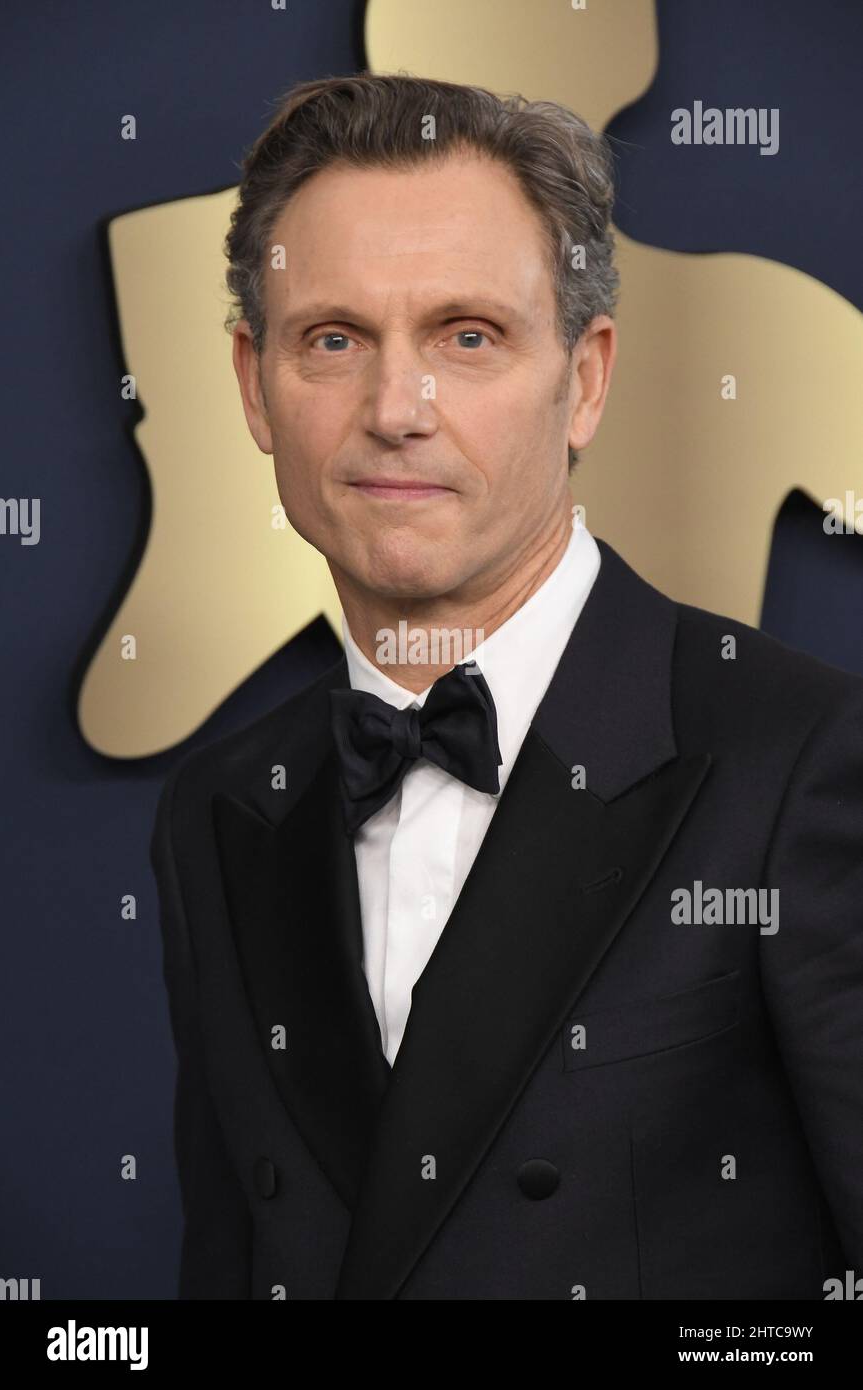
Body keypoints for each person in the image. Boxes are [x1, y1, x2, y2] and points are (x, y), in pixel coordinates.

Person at [150, 72, 863, 1300]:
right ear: (253, 382)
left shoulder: (802, 760)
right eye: (333, 339)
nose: (395, 411)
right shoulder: (217, 808)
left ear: (583, 379)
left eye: (466, 336)